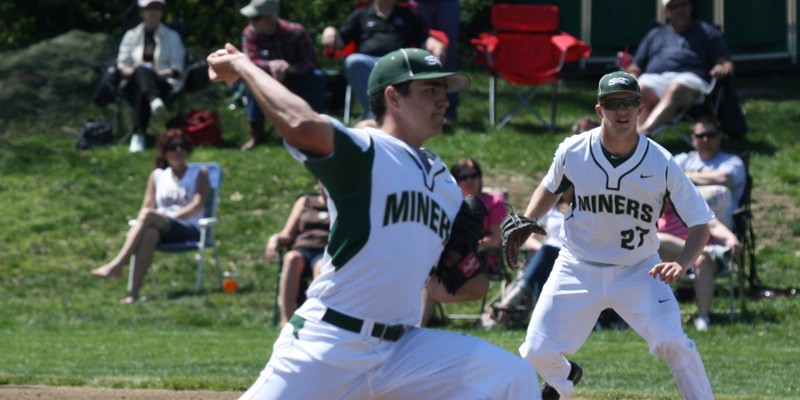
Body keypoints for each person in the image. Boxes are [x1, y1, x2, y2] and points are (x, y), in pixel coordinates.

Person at [207, 44, 539, 399]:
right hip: (330, 343)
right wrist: (244, 64)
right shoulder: (365, 151)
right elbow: (301, 123)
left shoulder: (445, 184)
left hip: (401, 351)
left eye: (444, 92)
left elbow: (456, 289)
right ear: (393, 97)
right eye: (430, 91)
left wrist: (467, 263)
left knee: (510, 376)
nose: (443, 101)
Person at [518, 71, 715, 399]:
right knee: (536, 350)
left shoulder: (661, 161)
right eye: (612, 103)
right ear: (600, 110)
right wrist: (527, 222)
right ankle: (564, 377)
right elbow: (550, 187)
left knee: (673, 341)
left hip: (639, 269)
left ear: (641, 108)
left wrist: (682, 263)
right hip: (577, 266)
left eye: (630, 102)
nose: (621, 110)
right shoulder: (574, 150)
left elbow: (700, 223)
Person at [91, 129, 210, 303]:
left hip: (189, 228)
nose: (179, 151)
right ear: (165, 151)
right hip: (162, 228)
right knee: (149, 234)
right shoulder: (157, 176)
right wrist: (152, 221)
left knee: (148, 215)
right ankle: (132, 295)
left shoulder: (199, 173)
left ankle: (118, 264)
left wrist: (171, 216)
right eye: (173, 147)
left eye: (182, 146)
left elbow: (197, 205)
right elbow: (147, 206)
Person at [321, 0, 446, 120]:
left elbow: (424, 38)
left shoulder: (409, 14)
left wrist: (435, 43)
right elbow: (341, 40)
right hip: (369, 64)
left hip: (399, 64)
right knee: (353, 61)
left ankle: (404, 115)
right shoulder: (361, 14)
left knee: (413, 64)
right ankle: (374, 112)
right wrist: (330, 30)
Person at [625, 0, 733, 136]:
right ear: (667, 12)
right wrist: (632, 74)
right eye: (673, 6)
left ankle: (642, 133)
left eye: (684, 4)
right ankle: (637, 140)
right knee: (639, 90)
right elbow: (635, 64)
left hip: (690, 80)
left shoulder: (707, 32)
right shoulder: (655, 34)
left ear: (691, 6)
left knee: (675, 88)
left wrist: (721, 69)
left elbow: (726, 63)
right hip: (655, 78)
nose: (679, 9)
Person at [419, 157, 505, 327]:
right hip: (448, 255)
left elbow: (496, 239)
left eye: (473, 175)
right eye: (463, 178)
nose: (469, 180)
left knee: (433, 271)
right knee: (428, 270)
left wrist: (472, 245)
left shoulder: (494, 202)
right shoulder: (447, 203)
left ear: (480, 177)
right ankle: (416, 322)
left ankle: (419, 324)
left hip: (482, 258)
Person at [239, 0, 326, 151]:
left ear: (268, 19)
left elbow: (311, 62)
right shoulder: (250, 33)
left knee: (317, 77)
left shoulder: (296, 32)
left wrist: (290, 69)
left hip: (296, 78)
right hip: (265, 79)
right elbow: (250, 61)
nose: (250, 22)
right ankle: (257, 135)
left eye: (254, 18)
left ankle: (316, 127)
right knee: (250, 82)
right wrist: (271, 65)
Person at [477, 190, 571, 330]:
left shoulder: (583, 209)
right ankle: (541, 319)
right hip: (548, 256)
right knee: (545, 258)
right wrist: (543, 251)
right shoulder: (551, 209)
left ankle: (511, 301)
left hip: (569, 257)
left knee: (545, 259)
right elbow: (530, 241)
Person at [658, 201, 741, 331]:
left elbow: (714, 226)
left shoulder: (690, 207)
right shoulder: (654, 215)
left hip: (705, 262)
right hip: (673, 263)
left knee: (700, 260)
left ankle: (703, 318)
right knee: (658, 240)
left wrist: (730, 238)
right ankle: (710, 250)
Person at [117, 0, 186, 153]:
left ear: (162, 12)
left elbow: (177, 68)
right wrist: (136, 69)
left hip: (163, 82)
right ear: (141, 12)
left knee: (144, 86)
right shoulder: (131, 35)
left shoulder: (172, 36)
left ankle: (138, 135)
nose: (153, 12)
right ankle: (154, 101)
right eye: (149, 8)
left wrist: (157, 73)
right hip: (133, 82)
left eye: (157, 8)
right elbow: (122, 65)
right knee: (141, 70)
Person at [265, 180, 330, 326]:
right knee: (291, 258)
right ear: (317, 182)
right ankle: (286, 321)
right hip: (302, 248)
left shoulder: (340, 204)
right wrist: (275, 238)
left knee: (321, 266)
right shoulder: (305, 201)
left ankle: (318, 320)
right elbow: (287, 233)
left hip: (325, 251)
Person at [676, 115, 746, 227]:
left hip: (720, 222)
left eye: (710, 135)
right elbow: (665, 176)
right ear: (693, 139)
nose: (705, 139)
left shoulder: (733, 161)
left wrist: (684, 178)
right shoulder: (683, 160)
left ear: (720, 137)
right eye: (700, 136)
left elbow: (725, 179)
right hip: (683, 219)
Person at [415, 0, 461, 122]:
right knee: (418, 54)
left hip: (447, 3)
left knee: (447, 56)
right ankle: (417, 110)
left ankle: (448, 112)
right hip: (420, 3)